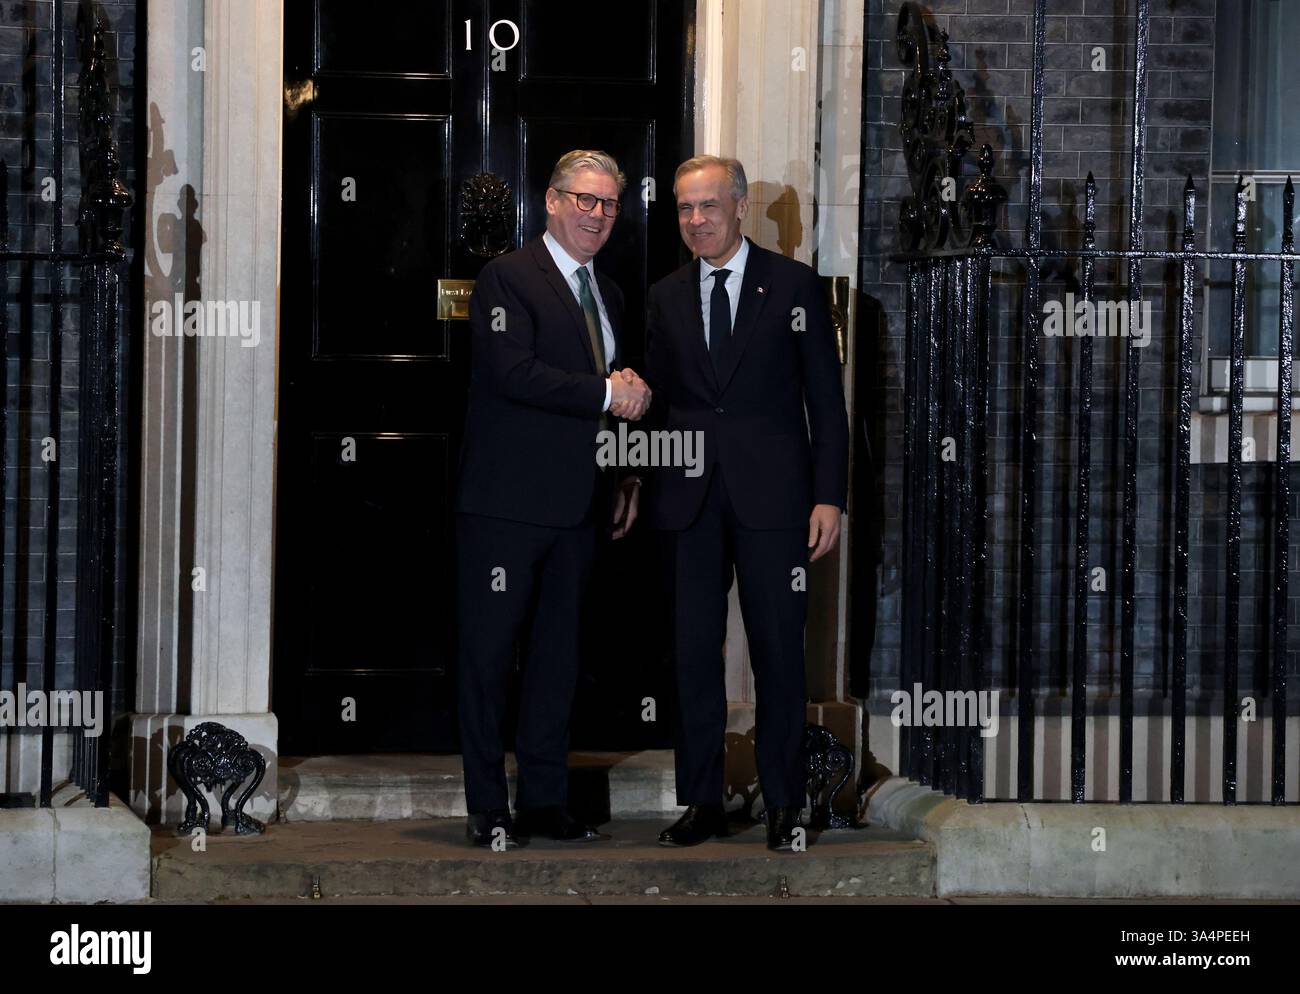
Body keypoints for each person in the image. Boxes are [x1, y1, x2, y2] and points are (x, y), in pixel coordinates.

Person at [645, 155, 848, 851]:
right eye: (683, 208)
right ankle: (702, 801)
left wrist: (829, 498)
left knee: (778, 654)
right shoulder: (664, 295)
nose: (695, 221)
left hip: (776, 501)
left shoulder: (792, 286)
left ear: (739, 207)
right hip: (687, 500)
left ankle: (784, 804)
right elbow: (656, 407)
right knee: (693, 654)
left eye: (706, 206)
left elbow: (826, 401)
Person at [455, 150, 650, 848]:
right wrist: (607, 392)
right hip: (505, 506)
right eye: (583, 200)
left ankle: (545, 802)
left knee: (557, 660)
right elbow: (513, 374)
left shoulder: (612, 294)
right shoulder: (506, 278)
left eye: (607, 204)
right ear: (552, 201)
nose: (596, 216)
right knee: (488, 657)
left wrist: (626, 474)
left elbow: (612, 404)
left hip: (580, 505)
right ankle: (486, 808)